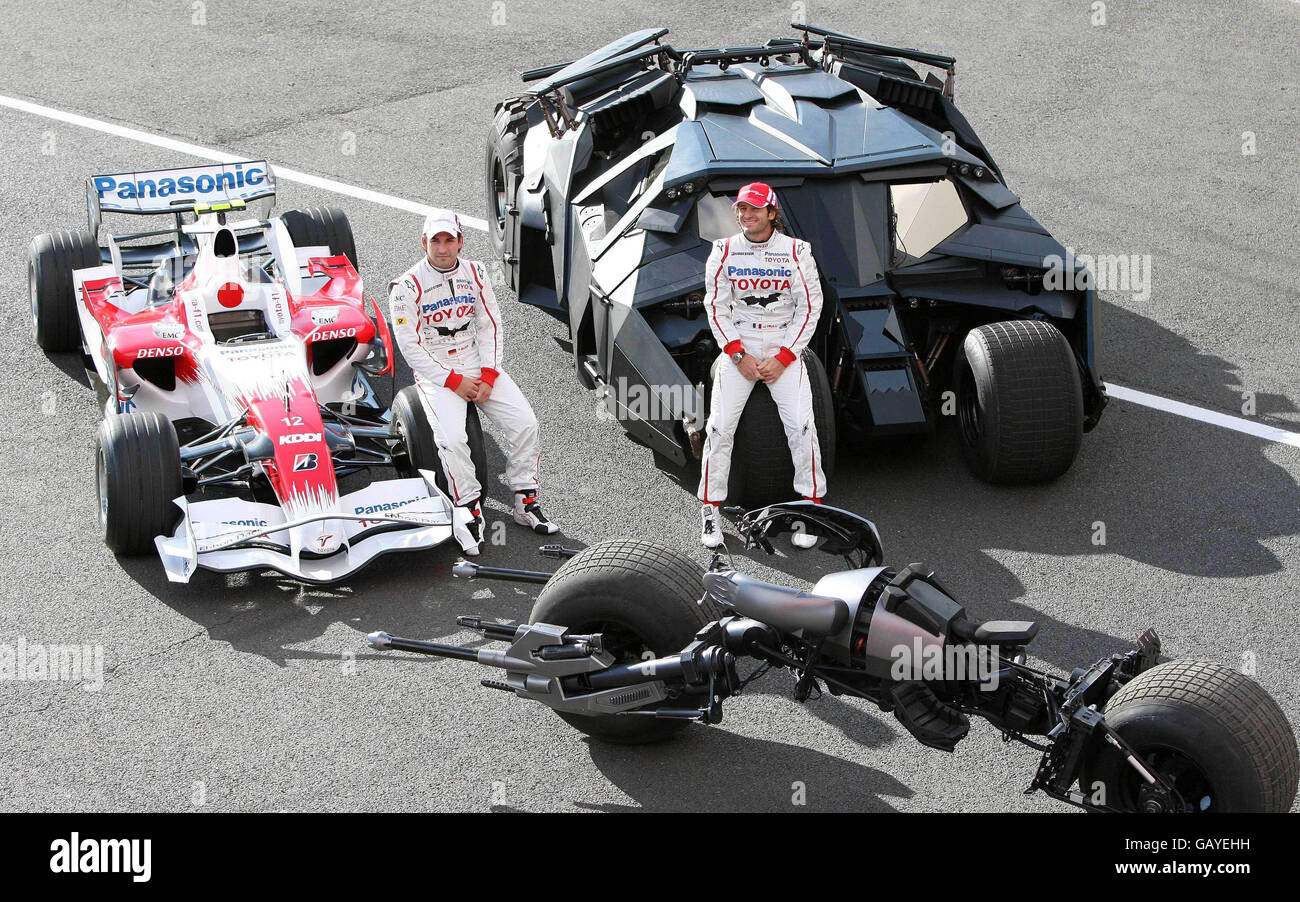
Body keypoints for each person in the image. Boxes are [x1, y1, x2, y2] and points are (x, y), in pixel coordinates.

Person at [388, 209, 559, 555]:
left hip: (477, 363)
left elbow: (489, 325)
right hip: (438, 372)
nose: (442, 248)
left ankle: (525, 500)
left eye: (448, 240)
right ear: (424, 242)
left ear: (460, 242)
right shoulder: (405, 287)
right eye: (435, 240)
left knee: (525, 423)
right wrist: (453, 381)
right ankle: (468, 507)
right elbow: (410, 347)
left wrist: (488, 373)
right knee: (451, 440)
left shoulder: (477, 273)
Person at [697, 182, 827, 548]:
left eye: (754, 209)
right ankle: (709, 508)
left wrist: (786, 356)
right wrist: (738, 355)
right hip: (740, 346)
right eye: (740, 209)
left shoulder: (797, 251)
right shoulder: (723, 250)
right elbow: (716, 306)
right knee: (719, 428)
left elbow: (810, 306)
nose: (745, 215)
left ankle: (810, 507)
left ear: (772, 213)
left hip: (784, 344)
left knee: (802, 428)